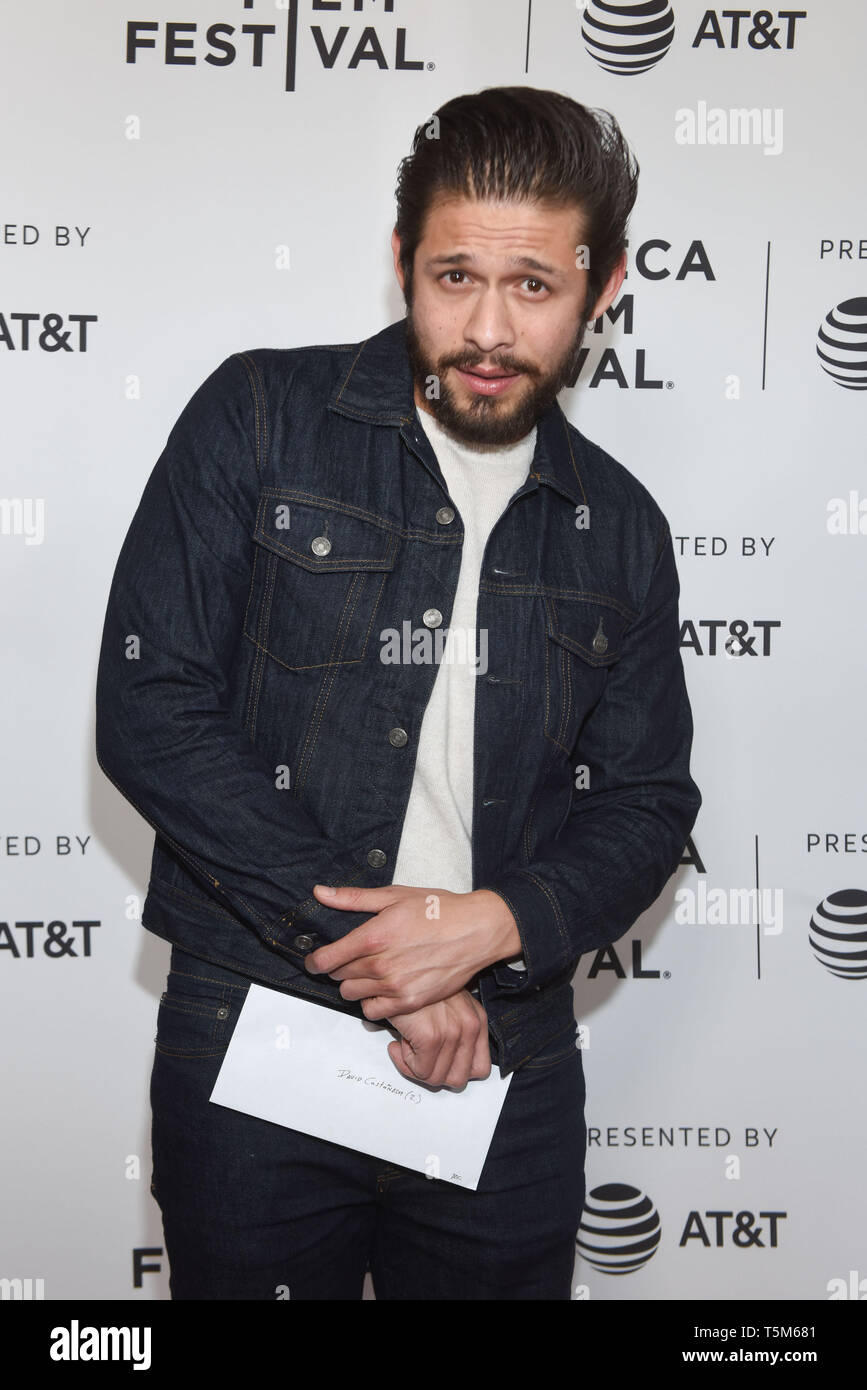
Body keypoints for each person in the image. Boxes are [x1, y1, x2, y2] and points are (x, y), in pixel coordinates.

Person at [95, 85, 701, 1301]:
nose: (485, 329)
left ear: (605, 285)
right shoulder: (260, 417)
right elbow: (151, 708)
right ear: (399, 262)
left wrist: (494, 927)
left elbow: (645, 802)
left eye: (533, 287)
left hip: (507, 1058)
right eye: (452, 277)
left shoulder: (620, 525)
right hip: (257, 1034)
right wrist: (387, 961)